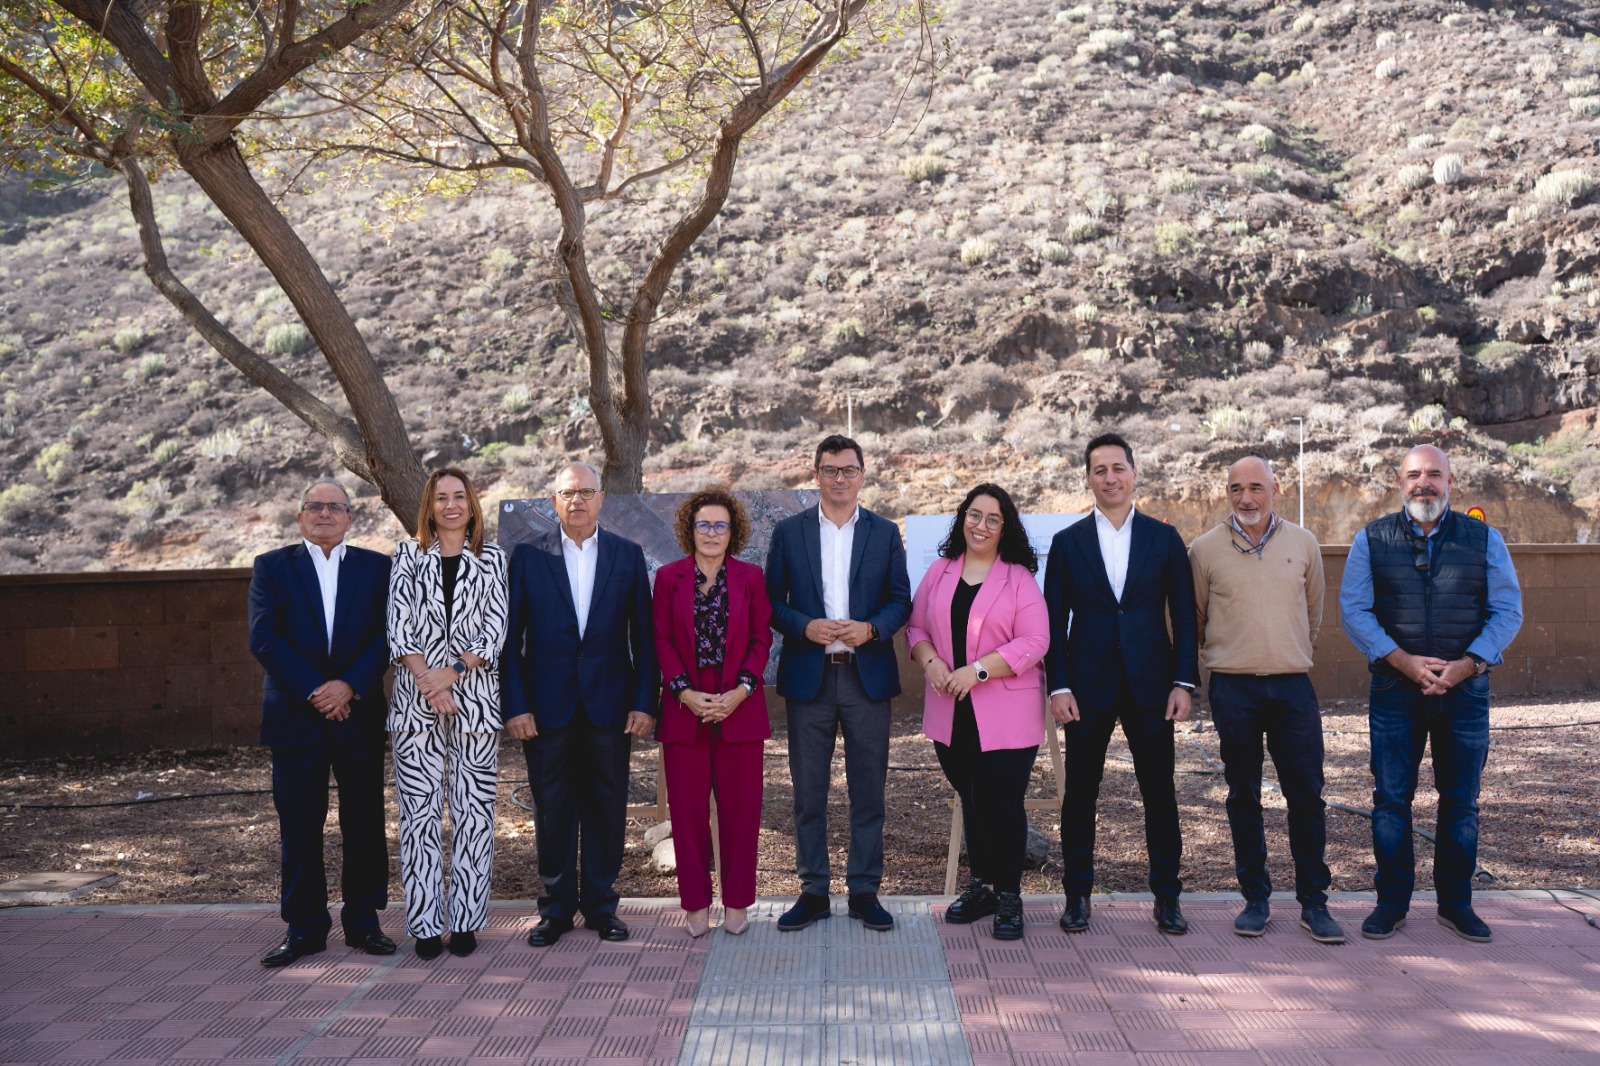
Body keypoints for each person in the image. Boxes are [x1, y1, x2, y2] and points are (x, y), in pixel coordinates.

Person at [1340, 444, 1523, 943]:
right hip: (1395, 690)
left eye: (1434, 475)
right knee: (1391, 799)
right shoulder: (1370, 540)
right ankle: (1391, 904)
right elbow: (1355, 611)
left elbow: (1507, 611)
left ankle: (1456, 905)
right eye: (1414, 475)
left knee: (1461, 802)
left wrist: (1466, 666)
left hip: (1465, 692)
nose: (1425, 483)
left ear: (1450, 481)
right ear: (1400, 483)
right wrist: (1404, 661)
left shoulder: (1485, 539)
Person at [1045, 432, 1198, 936]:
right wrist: (1058, 687)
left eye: (1118, 468)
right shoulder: (1067, 544)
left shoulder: (1164, 537)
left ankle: (1168, 898)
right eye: (1099, 470)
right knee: (1080, 796)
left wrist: (1183, 682)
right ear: (1088, 479)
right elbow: (1053, 621)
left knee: (1159, 794)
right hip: (1085, 690)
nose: (1109, 477)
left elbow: (1184, 616)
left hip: (1152, 687)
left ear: (1134, 473)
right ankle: (1077, 896)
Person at [503, 462, 658, 946]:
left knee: (606, 808)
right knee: (552, 810)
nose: (577, 501)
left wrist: (643, 702)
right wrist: (516, 705)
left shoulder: (628, 555)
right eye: (568, 494)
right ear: (553, 501)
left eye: (586, 492)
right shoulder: (527, 557)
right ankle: (555, 910)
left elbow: (645, 639)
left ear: (602, 498)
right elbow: (510, 641)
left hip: (610, 707)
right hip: (545, 710)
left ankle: (600, 906)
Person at [1189, 457, 1343, 944]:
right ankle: (1255, 898)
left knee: (1306, 796)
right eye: (1236, 489)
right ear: (1227, 493)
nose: (1246, 498)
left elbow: (1313, 611)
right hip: (1233, 689)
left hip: (1293, 688)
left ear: (1276, 488)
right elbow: (1196, 619)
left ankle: (1314, 903)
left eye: (1256, 487)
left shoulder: (1304, 543)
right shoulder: (1205, 549)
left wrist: (1287, 650)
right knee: (1243, 796)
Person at [766, 434, 911, 932]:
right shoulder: (789, 533)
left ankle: (865, 890)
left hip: (866, 678)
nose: (840, 478)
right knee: (809, 793)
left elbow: (900, 601)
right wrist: (803, 625)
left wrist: (871, 629)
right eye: (830, 470)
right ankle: (813, 891)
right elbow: (771, 602)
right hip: (810, 678)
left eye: (849, 470)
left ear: (862, 475)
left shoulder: (885, 532)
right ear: (816, 476)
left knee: (868, 790)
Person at [248, 478, 394, 967]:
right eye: (315, 506)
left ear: (351, 518)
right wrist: (317, 689)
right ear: (300, 517)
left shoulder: (377, 568)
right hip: (296, 716)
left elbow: (386, 636)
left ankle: (364, 923)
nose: (325, 514)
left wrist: (348, 685)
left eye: (335, 507)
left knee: (364, 822)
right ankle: (304, 928)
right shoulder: (272, 567)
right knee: (300, 825)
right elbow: (264, 639)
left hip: (358, 714)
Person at [906, 484, 1049, 941]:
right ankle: (982, 886)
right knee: (971, 797)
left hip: (1006, 712)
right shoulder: (940, 570)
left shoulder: (1018, 578)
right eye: (974, 514)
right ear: (961, 518)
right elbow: (916, 626)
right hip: (950, 711)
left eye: (992, 518)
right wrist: (930, 662)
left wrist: (977, 671)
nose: (981, 525)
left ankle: (1009, 895)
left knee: (1000, 801)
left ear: (1005, 527)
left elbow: (1034, 641)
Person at [387, 468, 508, 959]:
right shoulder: (405, 556)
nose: (452, 505)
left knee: (474, 815)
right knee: (418, 817)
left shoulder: (494, 558)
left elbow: (496, 631)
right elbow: (398, 628)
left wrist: (452, 672)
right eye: (442, 498)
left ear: (472, 505)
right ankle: (422, 923)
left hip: (475, 702)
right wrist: (428, 682)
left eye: (460, 497)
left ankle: (464, 922)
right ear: (429, 506)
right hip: (416, 706)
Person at [652, 488, 773, 937]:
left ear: (733, 531)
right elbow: (660, 640)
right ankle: (696, 904)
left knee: (742, 812)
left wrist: (740, 691)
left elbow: (762, 639)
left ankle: (738, 902)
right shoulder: (668, 578)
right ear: (690, 529)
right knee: (686, 816)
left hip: (738, 707)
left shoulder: (750, 577)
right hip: (686, 708)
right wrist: (683, 692)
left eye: (720, 525)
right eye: (703, 524)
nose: (711, 532)